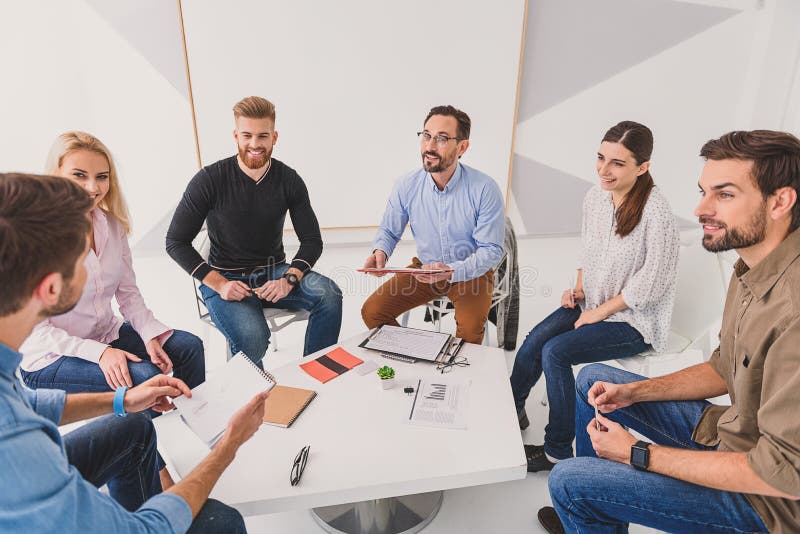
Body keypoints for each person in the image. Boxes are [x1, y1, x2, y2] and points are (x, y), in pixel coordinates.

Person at [540, 130, 800, 534]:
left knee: (568, 483)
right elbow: (722, 368)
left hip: (766, 506)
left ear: (779, 201)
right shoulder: (749, 266)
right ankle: (594, 505)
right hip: (731, 435)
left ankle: (586, 499)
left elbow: (779, 473)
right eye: (703, 192)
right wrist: (632, 392)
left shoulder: (794, 308)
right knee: (595, 380)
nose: (700, 209)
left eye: (724, 195)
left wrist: (638, 454)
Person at [0, 172, 267, 532]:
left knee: (132, 429)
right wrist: (230, 445)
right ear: (51, 288)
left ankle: (158, 487)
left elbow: (28, 406)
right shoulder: (20, 454)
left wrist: (124, 400)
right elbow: (145, 531)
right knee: (224, 521)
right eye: (81, 257)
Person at [509, 121, 679, 473]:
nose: (604, 169)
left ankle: (557, 450)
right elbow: (588, 249)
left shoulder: (656, 212)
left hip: (633, 320)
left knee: (555, 352)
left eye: (617, 163)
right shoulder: (596, 197)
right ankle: (510, 414)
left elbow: (652, 284)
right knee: (534, 340)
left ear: (642, 167)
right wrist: (580, 287)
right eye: (601, 158)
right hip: (593, 303)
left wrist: (600, 312)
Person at [20, 131, 205, 395]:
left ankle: (197, 423)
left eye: (101, 177)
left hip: (105, 333)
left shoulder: (111, 226)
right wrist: (101, 353)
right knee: (145, 379)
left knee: (190, 347)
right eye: (79, 175)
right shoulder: (33, 237)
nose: (93, 188)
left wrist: (148, 333)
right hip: (50, 356)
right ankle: (144, 435)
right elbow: (35, 331)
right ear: (56, 174)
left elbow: (128, 293)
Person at [166, 96, 342, 364]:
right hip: (224, 277)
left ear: (275, 137)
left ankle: (314, 376)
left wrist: (288, 280)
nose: (255, 144)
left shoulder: (289, 180)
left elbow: (312, 241)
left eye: (263, 136)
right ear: (236, 136)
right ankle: (252, 400)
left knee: (330, 295)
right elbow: (176, 241)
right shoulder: (209, 180)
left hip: (274, 271)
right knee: (252, 337)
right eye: (247, 135)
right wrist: (220, 284)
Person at [360, 105, 505, 344]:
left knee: (469, 334)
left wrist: (452, 271)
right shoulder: (407, 185)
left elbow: (492, 250)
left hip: (470, 273)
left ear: (462, 147)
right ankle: (427, 352)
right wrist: (380, 252)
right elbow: (389, 229)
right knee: (373, 312)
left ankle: (452, 367)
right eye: (426, 136)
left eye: (442, 139)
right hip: (424, 271)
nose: (430, 146)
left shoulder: (484, 188)